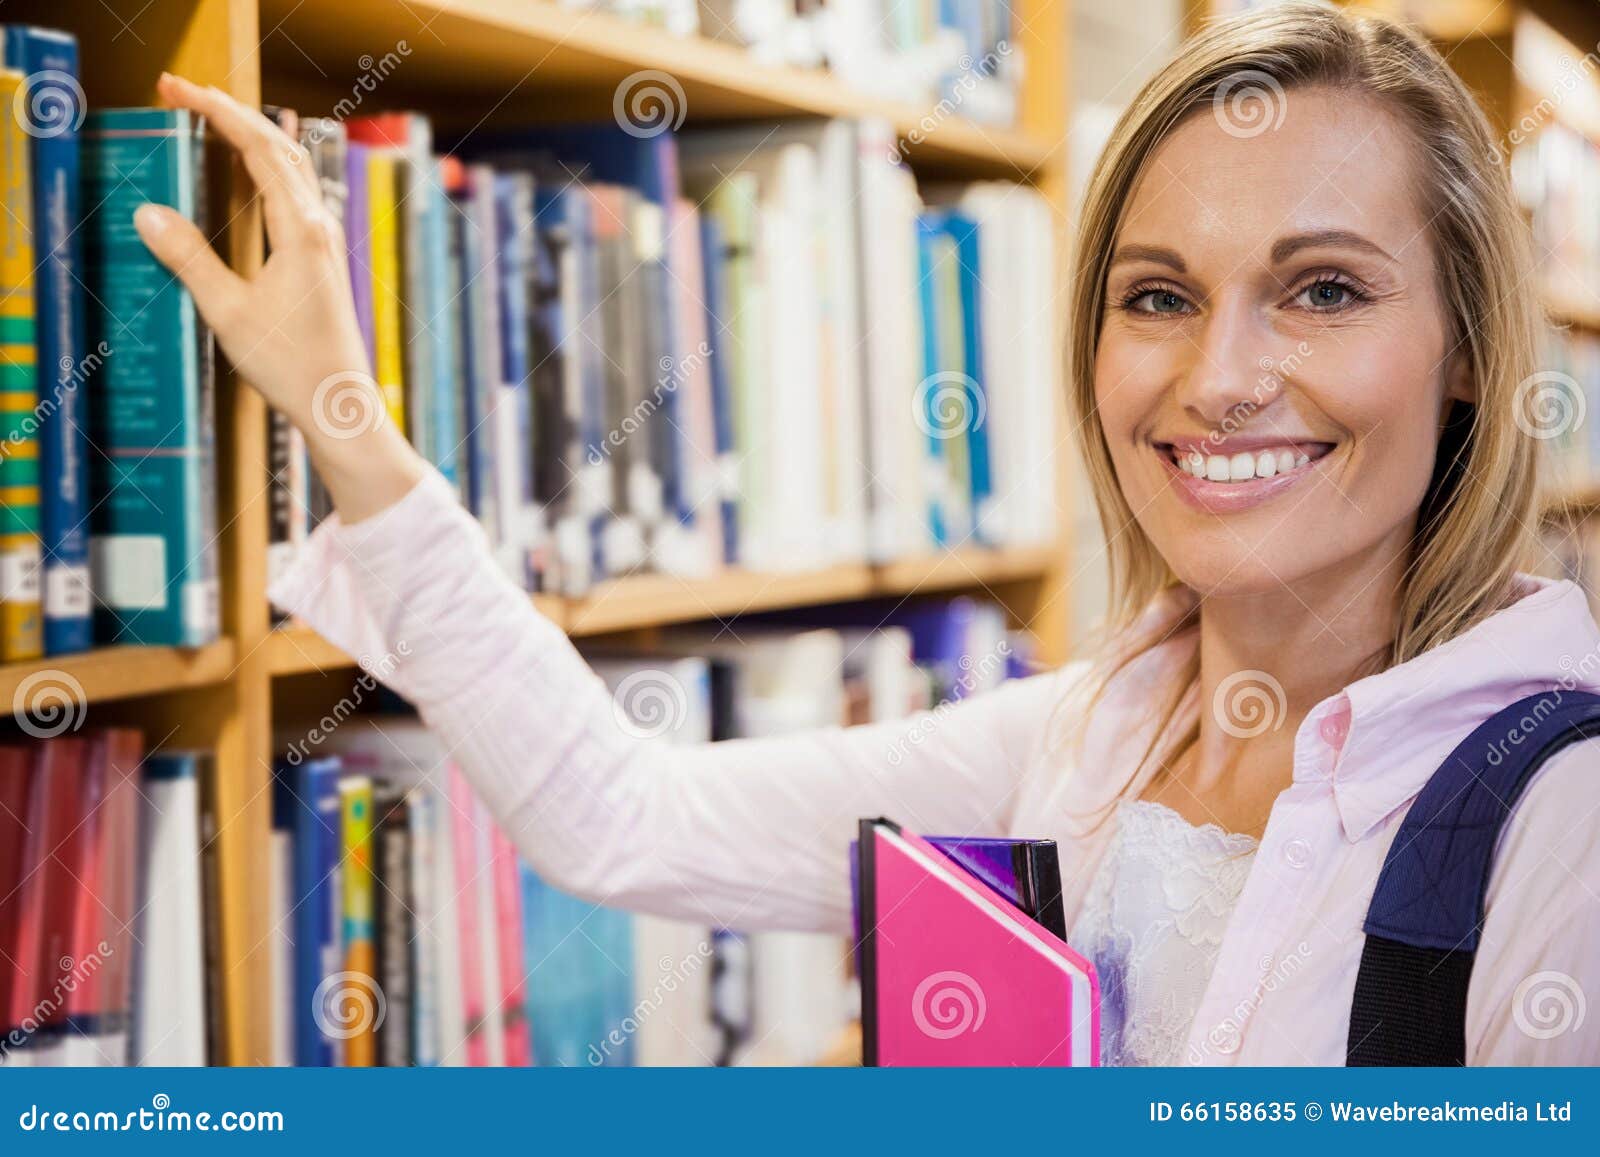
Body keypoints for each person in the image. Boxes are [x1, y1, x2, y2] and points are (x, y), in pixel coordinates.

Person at [133, 1, 1598, 1065]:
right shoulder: (1087, 739)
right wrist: (344, 413)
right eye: (1156, 295)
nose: (1217, 379)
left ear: (1469, 342)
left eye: (1323, 290)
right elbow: (622, 813)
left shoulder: (1560, 820)